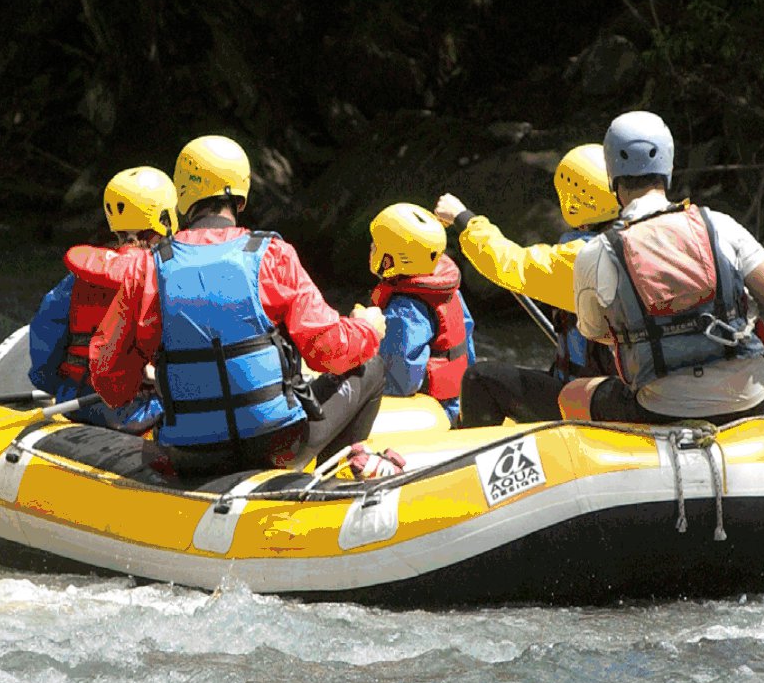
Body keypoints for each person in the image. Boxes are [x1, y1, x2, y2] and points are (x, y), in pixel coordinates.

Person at [89, 134, 390, 475]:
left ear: (182, 198)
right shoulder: (272, 256)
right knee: (373, 365)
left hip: (189, 455)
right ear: (242, 197)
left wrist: (152, 376)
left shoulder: (147, 268)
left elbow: (110, 381)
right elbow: (329, 351)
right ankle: (335, 483)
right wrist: (368, 329)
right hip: (279, 446)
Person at [558, 109, 764, 425]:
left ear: (612, 175)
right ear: (668, 167)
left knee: (571, 395)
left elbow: (596, 332)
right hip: (753, 398)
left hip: (662, 408)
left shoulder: (597, 252)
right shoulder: (721, 226)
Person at [433, 144, 619, 425]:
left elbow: (509, 263)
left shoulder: (581, 258)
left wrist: (463, 218)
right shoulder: (635, 238)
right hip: (624, 390)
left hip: (595, 399)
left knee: (479, 379)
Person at [28, 166, 176, 432]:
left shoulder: (79, 278)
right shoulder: (169, 277)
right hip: (141, 411)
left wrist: (55, 386)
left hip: (75, 403)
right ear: (165, 219)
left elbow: (45, 338)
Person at [367, 202, 476, 427]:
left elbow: (401, 379)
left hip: (432, 410)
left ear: (391, 258)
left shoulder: (404, 309)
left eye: (375, 245)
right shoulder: (447, 290)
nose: (370, 248)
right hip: (458, 400)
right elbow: (468, 343)